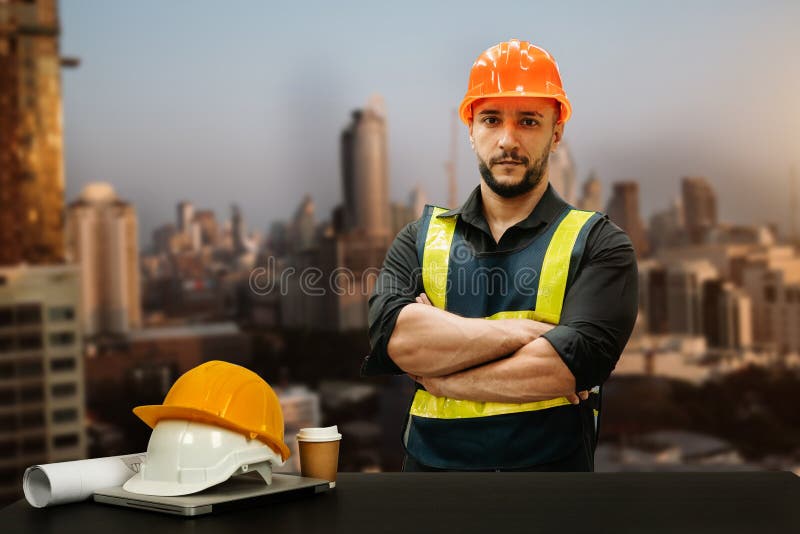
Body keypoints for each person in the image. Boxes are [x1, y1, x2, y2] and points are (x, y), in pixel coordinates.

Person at [362, 39, 638, 472]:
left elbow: (567, 368)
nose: (508, 140)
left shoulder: (599, 243)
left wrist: (439, 378)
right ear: (471, 128)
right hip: (429, 500)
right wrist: (531, 334)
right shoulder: (419, 238)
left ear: (557, 131)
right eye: (491, 119)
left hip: (550, 501)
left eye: (529, 121)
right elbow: (399, 342)